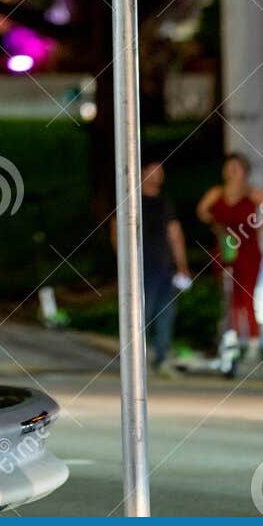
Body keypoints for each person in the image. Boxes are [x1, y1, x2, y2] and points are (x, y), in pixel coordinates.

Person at [196, 153, 263, 370]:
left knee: (247, 298)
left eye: (236, 167)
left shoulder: (252, 193)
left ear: (244, 171)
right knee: (229, 299)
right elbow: (202, 211)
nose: (232, 171)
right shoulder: (217, 193)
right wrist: (214, 224)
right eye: (229, 167)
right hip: (224, 250)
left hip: (248, 251)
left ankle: (253, 346)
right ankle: (230, 343)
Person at [113, 160, 191, 373]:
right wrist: (124, 263)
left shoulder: (165, 202)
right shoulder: (130, 200)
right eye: (152, 172)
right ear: (141, 173)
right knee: (141, 312)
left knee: (166, 311)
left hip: (164, 265)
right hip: (140, 266)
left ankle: (162, 356)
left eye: (160, 172)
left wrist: (181, 264)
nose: (157, 176)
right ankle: (136, 359)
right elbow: (116, 229)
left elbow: (174, 233)